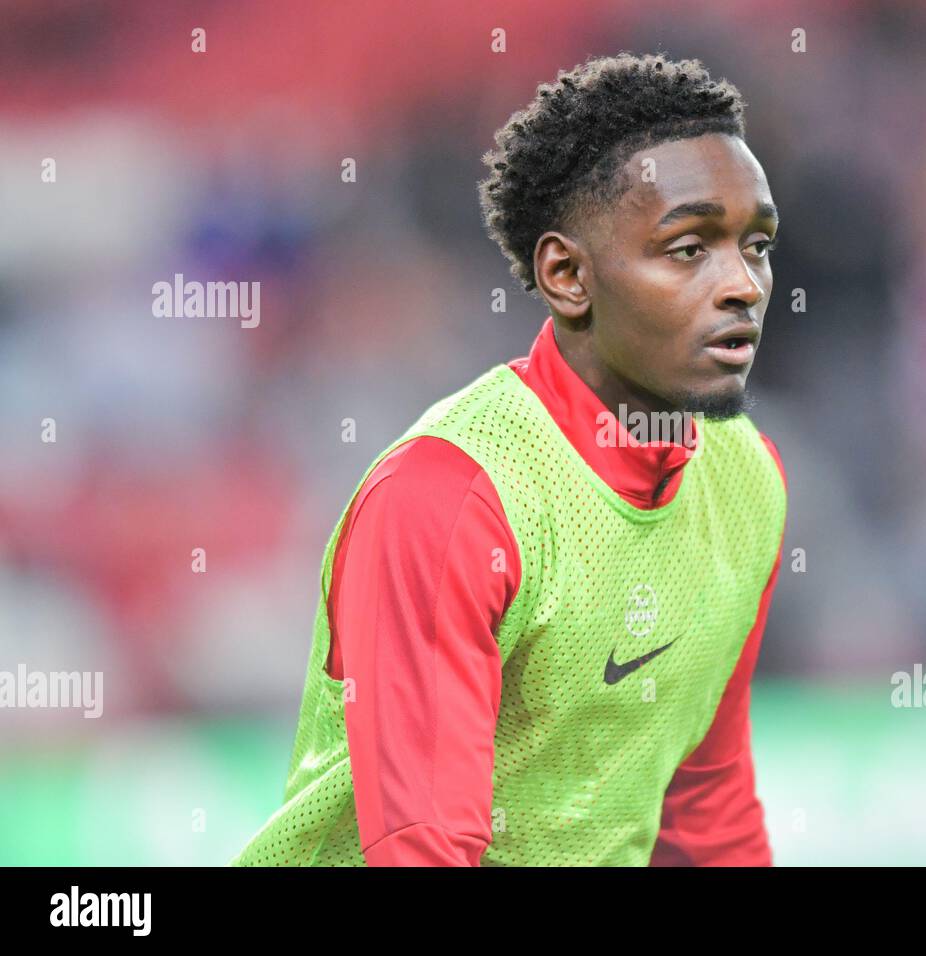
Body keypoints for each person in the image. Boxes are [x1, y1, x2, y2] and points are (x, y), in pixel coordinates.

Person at [233, 52, 786, 867]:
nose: (743, 284)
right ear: (566, 275)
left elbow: (703, 810)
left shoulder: (748, 476)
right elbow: (424, 852)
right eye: (688, 248)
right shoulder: (454, 496)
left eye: (758, 245)